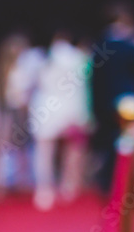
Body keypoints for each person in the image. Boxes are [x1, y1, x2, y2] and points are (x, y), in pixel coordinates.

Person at [28, 31, 92, 210]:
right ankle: (68, 186)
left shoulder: (39, 57)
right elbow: (83, 88)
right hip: (72, 108)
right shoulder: (79, 58)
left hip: (44, 107)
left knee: (44, 151)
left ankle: (44, 189)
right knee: (72, 150)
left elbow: (28, 85)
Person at [91, 2, 134, 191]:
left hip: (105, 105)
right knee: (127, 145)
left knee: (109, 145)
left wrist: (95, 107)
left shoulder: (100, 46)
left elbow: (95, 80)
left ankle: (109, 184)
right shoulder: (130, 47)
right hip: (128, 104)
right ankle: (126, 185)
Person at [0, 32, 42, 193]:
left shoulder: (13, 69)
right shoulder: (11, 70)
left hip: (15, 110)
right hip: (13, 111)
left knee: (15, 146)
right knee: (10, 145)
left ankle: (18, 179)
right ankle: (5, 180)